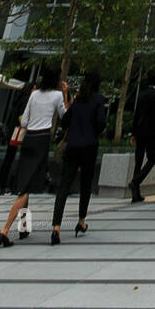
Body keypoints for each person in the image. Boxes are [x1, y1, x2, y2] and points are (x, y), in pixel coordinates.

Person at [0, 67, 68, 247]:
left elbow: (24, 121)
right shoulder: (57, 96)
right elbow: (65, 117)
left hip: (28, 139)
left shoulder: (34, 94)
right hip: (41, 140)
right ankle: (4, 230)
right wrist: (66, 95)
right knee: (25, 189)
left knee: (25, 183)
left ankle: (24, 226)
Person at [51, 70, 106, 243]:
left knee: (64, 187)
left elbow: (64, 121)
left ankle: (56, 227)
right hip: (89, 146)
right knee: (86, 185)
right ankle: (81, 221)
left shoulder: (78, 100)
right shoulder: (98, 99)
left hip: (72, 146)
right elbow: (101, 123)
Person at [129, 70, 155, 203]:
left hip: (140, 130)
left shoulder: (142, 94)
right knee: (152, 159)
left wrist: (133, 133)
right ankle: (135, 182)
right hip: (150, 131)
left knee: (138, 160)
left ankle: (135, 194)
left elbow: (136, 114)